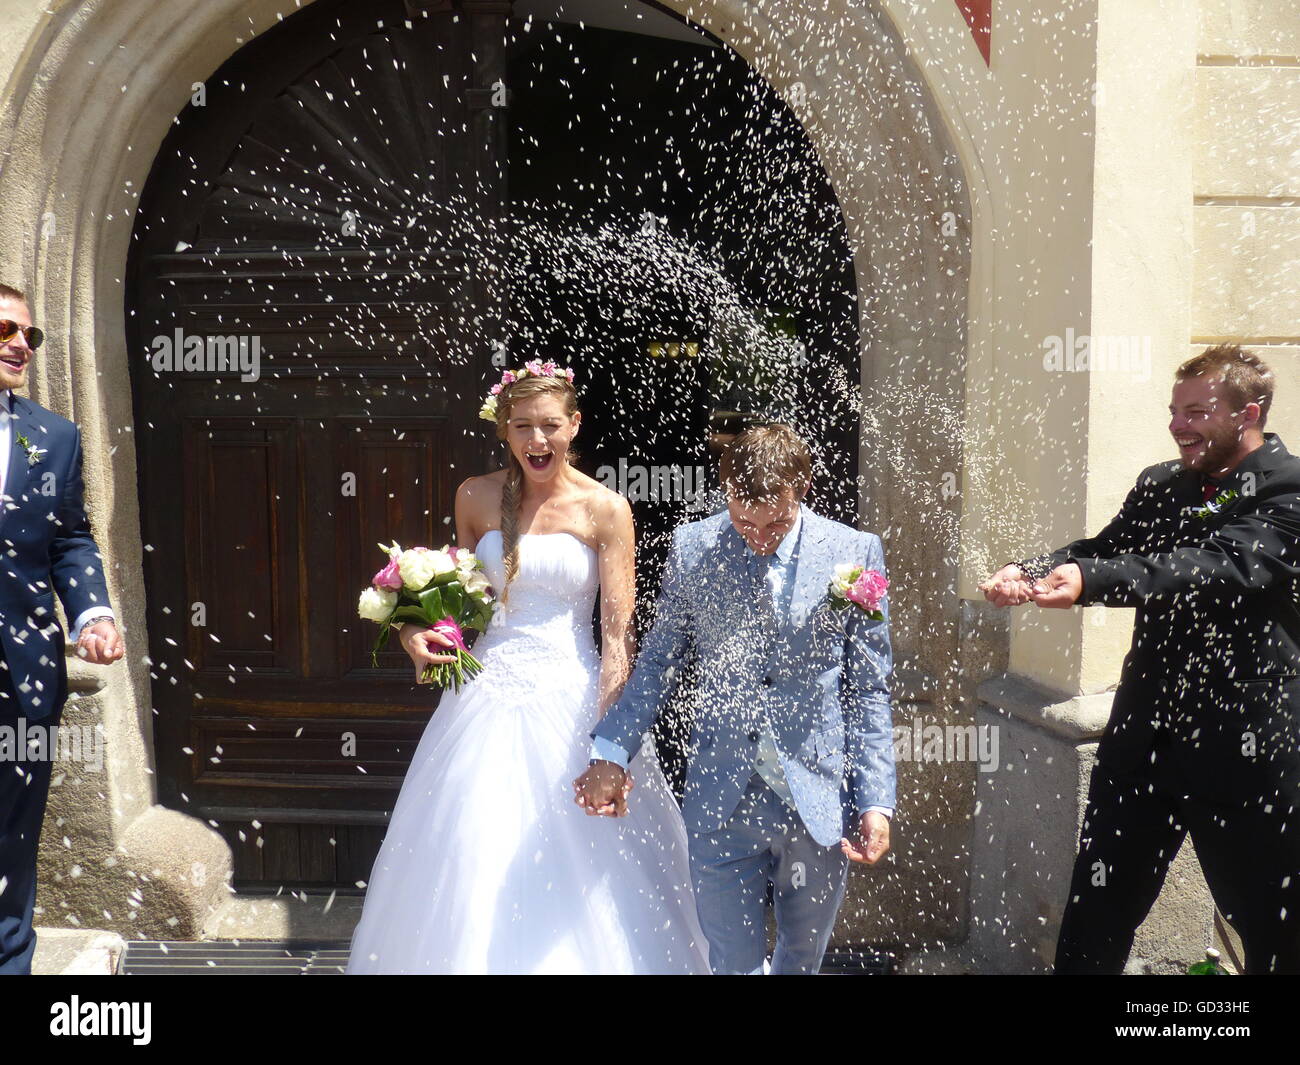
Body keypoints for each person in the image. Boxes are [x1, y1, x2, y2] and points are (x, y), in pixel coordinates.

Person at [346, 361, 709, 974]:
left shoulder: (606, 509)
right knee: (469, 847)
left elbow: (618, 638)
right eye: (521, 427)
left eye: (548, 426)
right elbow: (462, 605)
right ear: (503, 430)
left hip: (571, 700)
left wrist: (608, 750)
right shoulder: (474, 496)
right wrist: (415, 633)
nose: (536, 441)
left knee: (587, 865)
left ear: (574, 426)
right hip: (480, 701)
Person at [980, 344, 1300, 974]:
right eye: (1174, 410)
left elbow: (1213, 567)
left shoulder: (1288, 490)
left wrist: (1090, 581)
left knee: (1272, 922)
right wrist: (1036, 569)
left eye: (1198, 412)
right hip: (1144, 737)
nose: (1179, 424)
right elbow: (1107, 549)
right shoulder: (1160, 484)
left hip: (1244, 749)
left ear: (1248, 414)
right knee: (1097, 906)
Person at [575, 423, 896, 974]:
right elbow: (658, 663)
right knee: (733, 964)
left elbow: (867, 690)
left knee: (801, 960)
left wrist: (875, 801)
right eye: (745, 521)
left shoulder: (853, 551)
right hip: (722, 797)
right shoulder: (693, 547)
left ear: (802, 489)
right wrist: (609, 751)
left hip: (816, 800)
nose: (759, 535)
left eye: (775, 522)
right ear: (725, 492)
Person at [0, 283, 124, 974]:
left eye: (29, 334)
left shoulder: (55, 436)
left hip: (22, 669)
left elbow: (71, 538)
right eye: (4, 329)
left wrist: (93, 613)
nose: (21, 343)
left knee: (13, 834)